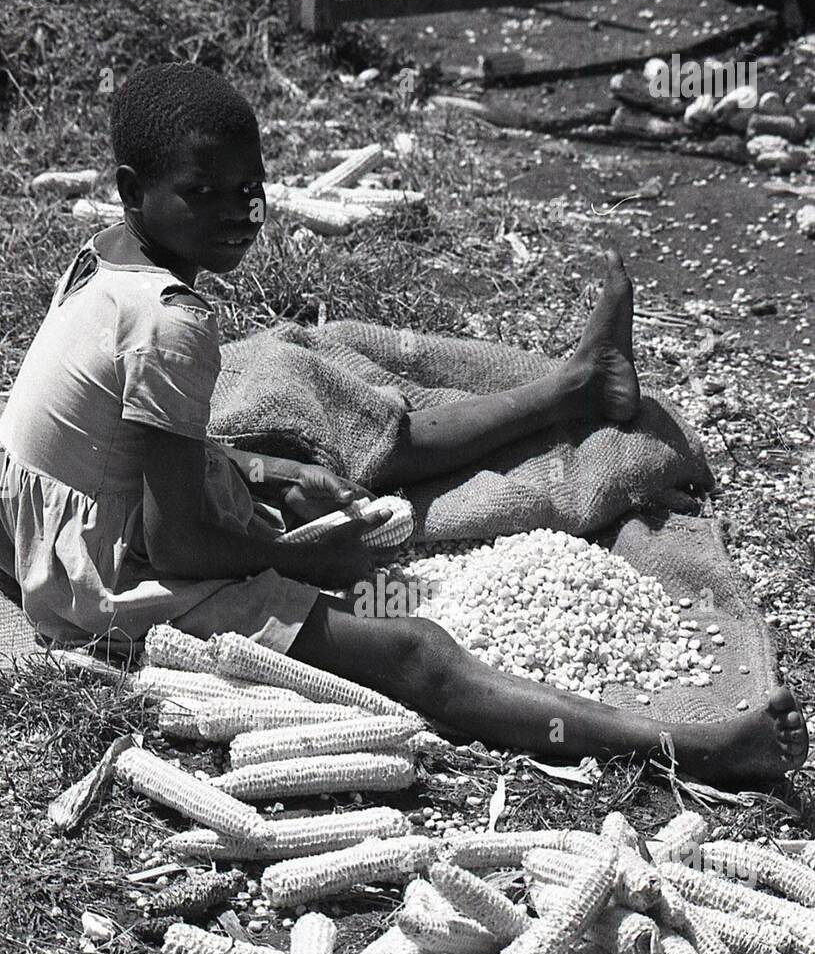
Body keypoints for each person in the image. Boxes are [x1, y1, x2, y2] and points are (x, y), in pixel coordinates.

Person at [0, 63, 807, 785]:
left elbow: (127, 437)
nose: (237, 212)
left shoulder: (103, 256)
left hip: (58, 526)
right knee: (415, 642)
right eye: (201, 192)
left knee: (330, 463)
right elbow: (181, 547)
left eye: (250, 188)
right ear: (132, 188)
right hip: (104, 589)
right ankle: (697, 745)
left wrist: (262, 473)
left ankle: (571, 388)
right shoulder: (169, 322)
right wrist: (304, 557)